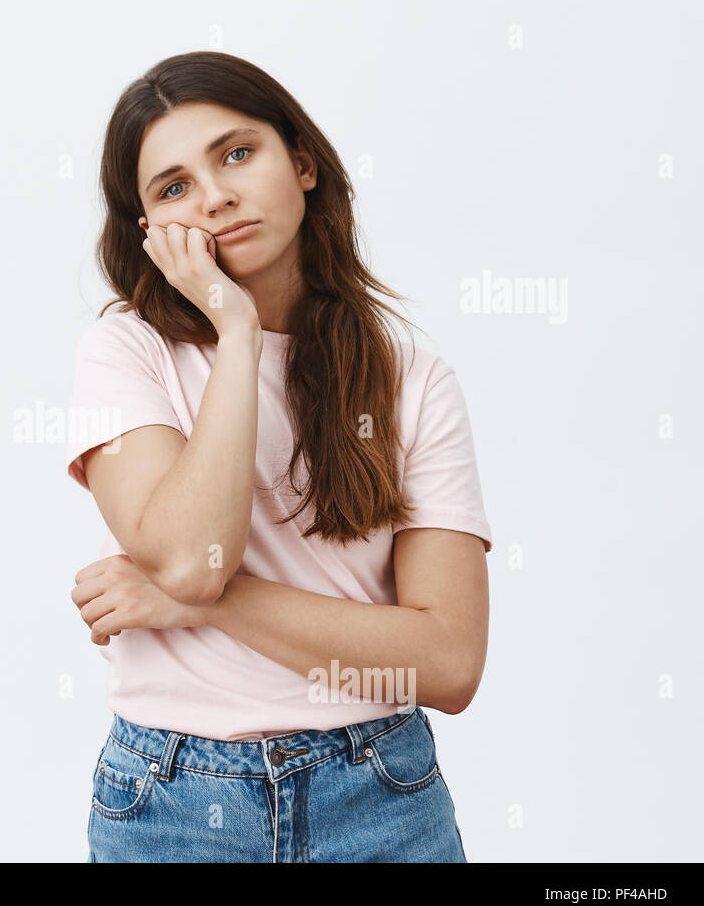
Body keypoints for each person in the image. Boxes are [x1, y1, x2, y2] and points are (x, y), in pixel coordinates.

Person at [66, 51, 492, 862]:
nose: (217, 194)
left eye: (236, 153)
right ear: (149, 231)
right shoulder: (125, 352)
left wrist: (209, 604)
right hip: (173, 799)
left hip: (381, 794)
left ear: (301, 164)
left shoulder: (412, 381)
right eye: (173, 186)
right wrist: (236, 330)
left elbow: (447, 663)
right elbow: (193, 557)